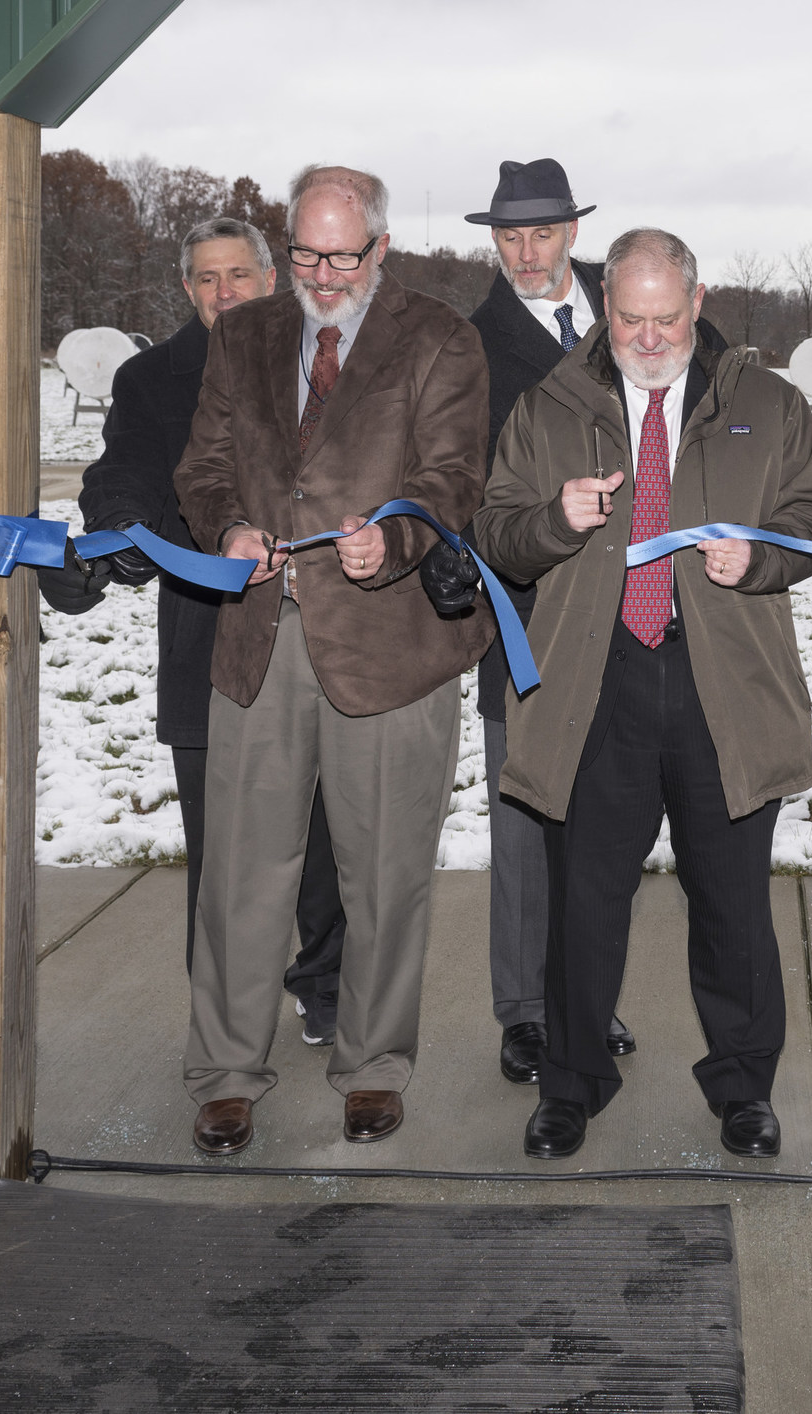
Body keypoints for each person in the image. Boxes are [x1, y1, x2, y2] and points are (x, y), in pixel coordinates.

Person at [470, 228, 812, 1162]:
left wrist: (759, 556)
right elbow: (497, 533)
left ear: (699, 302)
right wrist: (554, 519)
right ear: (604, 309)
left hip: (724, 683)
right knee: (583, 904)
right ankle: (572, 1082)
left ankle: (744, 1089)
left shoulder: (768, 401)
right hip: (597, 683)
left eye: (665, 316)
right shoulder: (549, 405)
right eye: (628, 317)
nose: (646, 336)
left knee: (734, 906)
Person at [171, 165, 492, 1154]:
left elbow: (452, 478)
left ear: (381, 251)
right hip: (262, 638)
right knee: (241, 871)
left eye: (340, 256)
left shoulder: (440, 336)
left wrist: (391, 540)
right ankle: (226, 1069)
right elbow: (206, 465)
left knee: (385, 872)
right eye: (303, 252)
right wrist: (226, 527)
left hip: (391, 645)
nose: (317, 274)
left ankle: (373, 1065)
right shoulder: (245, 335)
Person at [74, 217, 349, 1046]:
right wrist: (120, 523)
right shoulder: (152, 380)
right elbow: (121, 471)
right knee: (222, 849)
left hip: (328, 635)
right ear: (186, 287)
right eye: (204, 278)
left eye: (238, 274)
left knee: (329, 839)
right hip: (208, 637)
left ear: (272, 278)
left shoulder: (332, 362)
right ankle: (224, 1024)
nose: (222, 292)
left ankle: (328, 983)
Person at [453, 158, 639, 1083]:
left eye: (542, 233)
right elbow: (463, 483)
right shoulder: (470, 344)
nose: (526, 254)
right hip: (525, 613)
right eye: (508, 236)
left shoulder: (642, 303)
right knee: (525, 822)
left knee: (606, 826)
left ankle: (590, 998)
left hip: (635, 612)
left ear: (574, 231)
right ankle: (525, 1010)